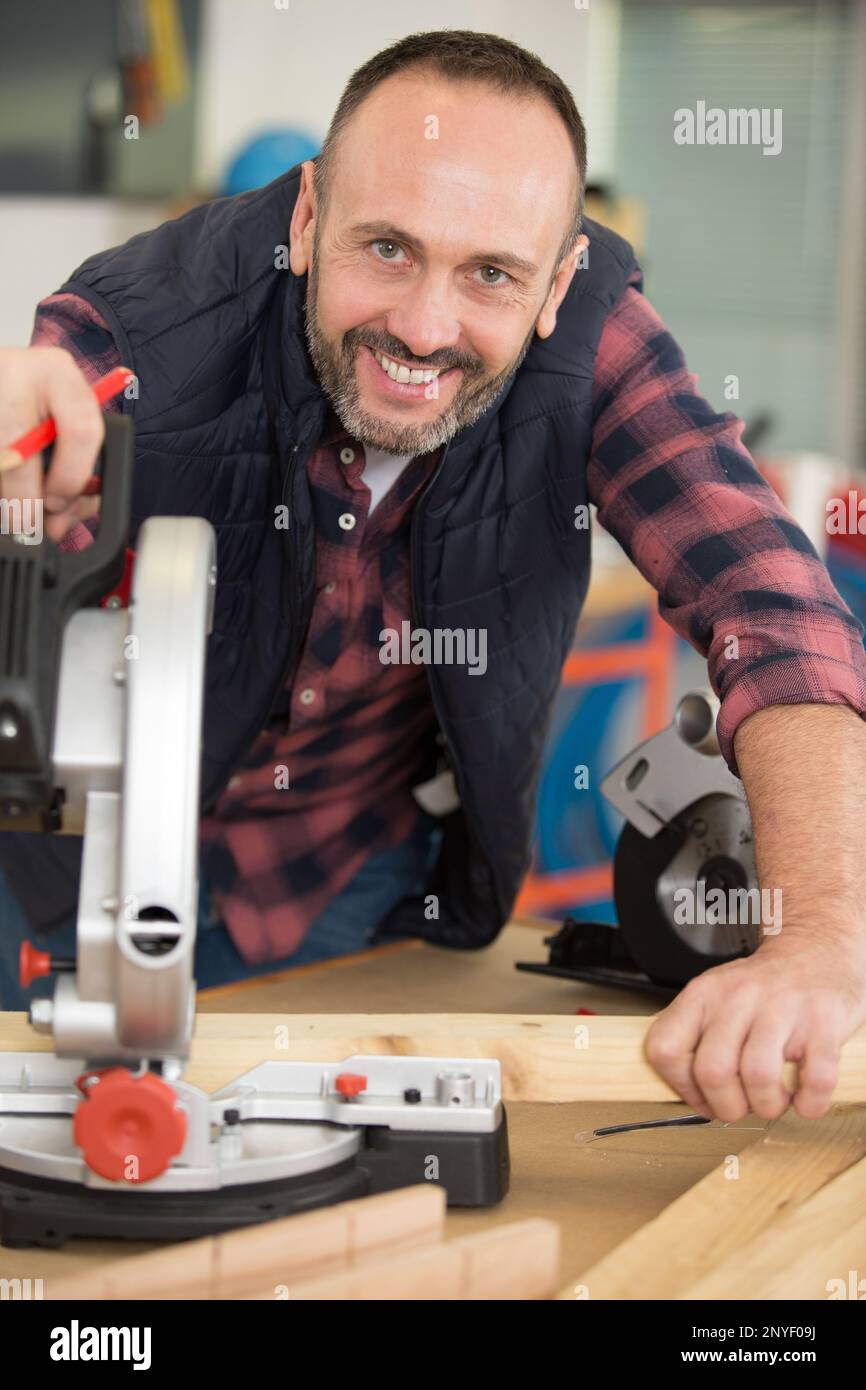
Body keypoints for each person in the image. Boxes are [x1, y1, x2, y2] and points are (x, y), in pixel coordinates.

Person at [1, 30, 865, 1124]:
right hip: (63, 892)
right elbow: (43, 412)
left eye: (490, 274)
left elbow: (771, 606)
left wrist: (822, 938)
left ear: (557, 284)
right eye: (388, 249)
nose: (421, 326)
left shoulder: (593, 344)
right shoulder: (149, 314)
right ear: (307, 218)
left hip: (352, 891)